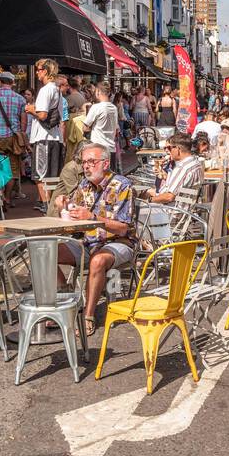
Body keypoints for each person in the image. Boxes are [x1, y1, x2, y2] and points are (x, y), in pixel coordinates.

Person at [56, 142, 136, 333]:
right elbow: (74, 212)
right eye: (84, 162)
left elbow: (123, 229)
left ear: (105, 164)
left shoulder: (122, 185)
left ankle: (88, 316)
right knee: (48, 252)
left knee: (97, 261)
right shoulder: (84, 185)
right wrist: (64, 205)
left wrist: (92, 217)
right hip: (89, 241)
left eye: (91, 161)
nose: (86, 166)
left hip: (118, 242)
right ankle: (67, 298)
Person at [25, 59, 65, 214]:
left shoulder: (45, 90)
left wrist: (30, 109)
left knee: (40, 175)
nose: (37, 72)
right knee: (52, 175)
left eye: (39, 69)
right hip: (54, 137)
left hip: (44, 137)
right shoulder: (56, 89)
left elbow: (42, 115)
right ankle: (51, 206)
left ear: (46, 71)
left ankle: (46, 205)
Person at [0, 71, 26, 208]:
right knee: (12, 170)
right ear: (12, 83)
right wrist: (22, 134)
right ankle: (7, 198)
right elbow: (24, 121)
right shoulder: (20, 99)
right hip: (13, 138)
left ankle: (0, 196)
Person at [144, 132, 203, 204]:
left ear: (178, 149)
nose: (167, 151)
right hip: (184, 203)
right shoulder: (195, 163)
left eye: (169, 148)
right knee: (146, 193)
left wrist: (149, 200)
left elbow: (169, 197)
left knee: (135, 203)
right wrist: (166, 176)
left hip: (171, 211)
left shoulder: (182, 168)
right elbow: (185, 191)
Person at [83, 81, 120, 168]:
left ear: (98, 92)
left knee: (97, 178)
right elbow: (116, 128)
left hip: (98, 149)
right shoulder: (114, 108)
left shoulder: (96, 107)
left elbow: (85, 127)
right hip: (111, 148)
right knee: (110, 177)